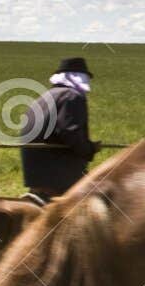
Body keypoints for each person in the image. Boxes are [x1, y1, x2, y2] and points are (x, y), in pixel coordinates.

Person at [19, 56, 102, 200]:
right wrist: (90, 149)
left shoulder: (45, 97)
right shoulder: (72, 96)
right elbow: (69, 131)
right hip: (59, 175)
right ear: (78, 78)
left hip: (35, 173)